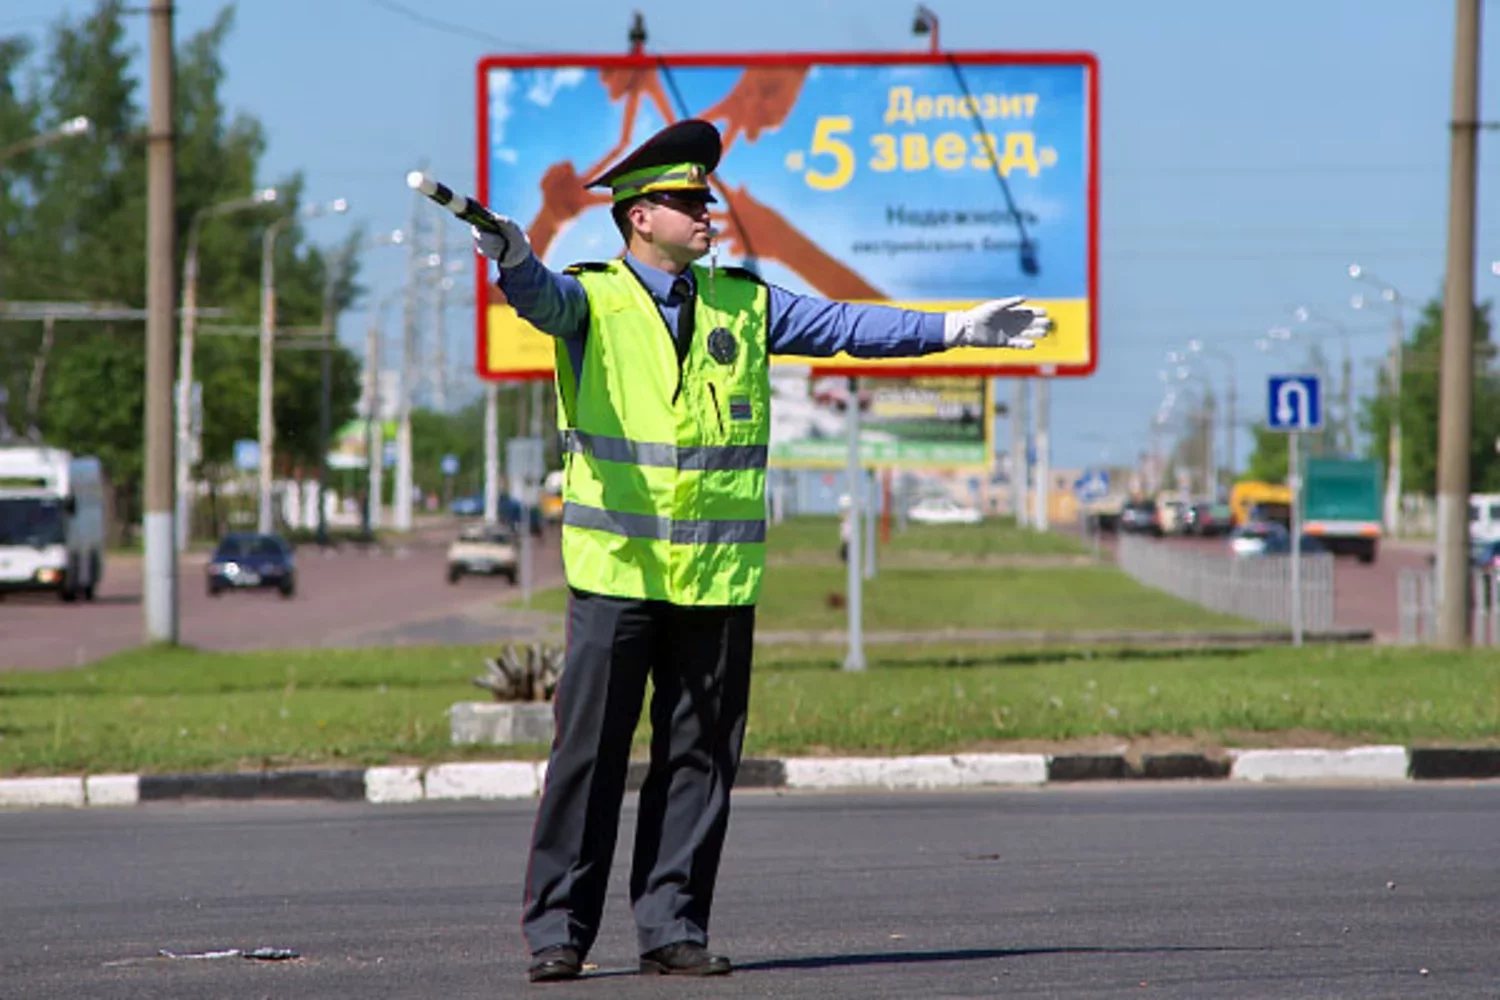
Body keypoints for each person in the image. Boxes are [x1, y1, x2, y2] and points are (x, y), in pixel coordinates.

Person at [471, 118, 1050, 984]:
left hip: (716, 580)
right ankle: (560, 932)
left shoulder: (744, 302)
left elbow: (848, 325)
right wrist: (516, 260)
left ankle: (672, 927)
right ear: (639, 217)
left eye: (705, 199)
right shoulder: (591, 300)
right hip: (618, 577)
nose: (707, 213)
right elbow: (540, 301)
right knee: (588, 759)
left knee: (699, 761)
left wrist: (961, 327)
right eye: (688, 201)